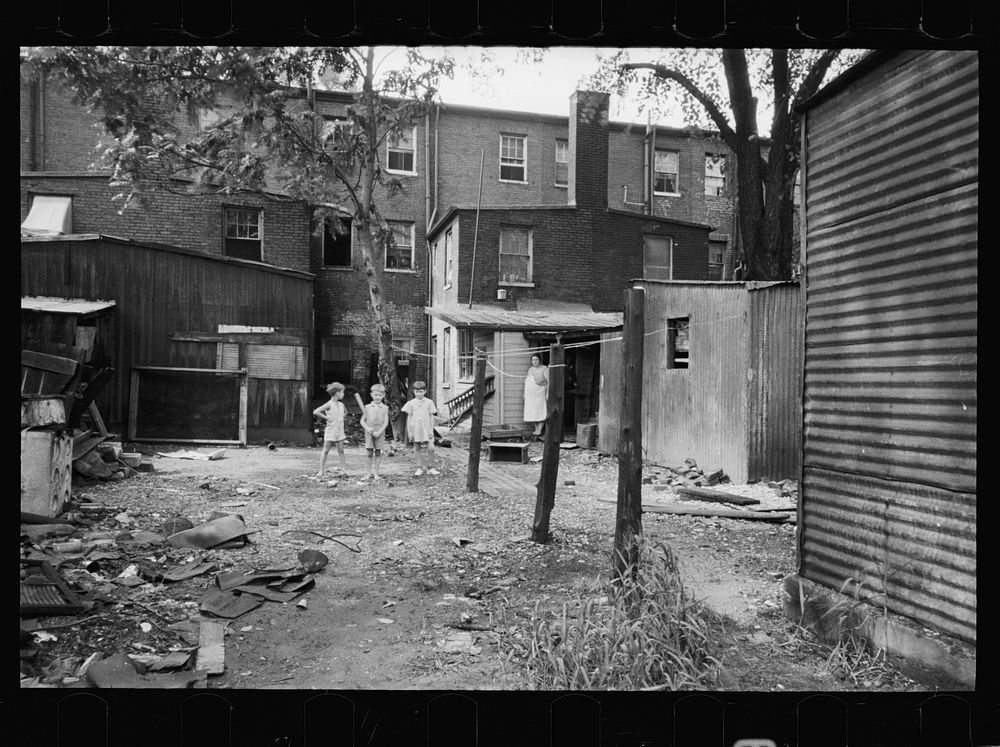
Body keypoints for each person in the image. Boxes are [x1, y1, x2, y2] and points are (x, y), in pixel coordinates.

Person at [401, 380, 440, 477]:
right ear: (414, 392)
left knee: (431, 448)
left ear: (425, 391)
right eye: (417, 392)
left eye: (421, 391)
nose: (419, 394)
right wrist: (409, 431)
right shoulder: (411, 403)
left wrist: (431, 430)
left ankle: (430, 467)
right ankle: (419, 467)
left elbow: (431, 416)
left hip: (426, 428)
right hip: (415, 428)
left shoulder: (429, 402)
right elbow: (409, 417)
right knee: (417, 447)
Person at [313, 382, 347, 477]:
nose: (343, 394)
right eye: (342, 392)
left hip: (340, 430)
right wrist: (327, 418)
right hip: (331, 430)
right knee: (326, 450)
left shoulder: (341, 404)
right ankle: (321, 470)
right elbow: (316, 411)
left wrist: (341, 418)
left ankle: (343, 470)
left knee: (341, 450)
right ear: (337, 393)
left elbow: (345, 412)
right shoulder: (329, 404)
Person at [359, 383, 389, 482]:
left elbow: (386, 422)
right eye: (375, 395)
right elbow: (362, 421)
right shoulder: (367, 407)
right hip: (369, 432)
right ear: (372, 395)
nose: (377, 397)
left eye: (380, 395)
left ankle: (376, 473)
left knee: (378, 452)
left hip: (380, 432)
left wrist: (379, 432)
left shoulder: (385, 408)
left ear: (383, 395)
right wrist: (368, 428)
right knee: (369, 452)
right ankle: (368, 473)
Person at [523, 353, 549, 438]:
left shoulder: (544, 369)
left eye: (536, 360)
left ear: (539, 360)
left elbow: (549, 382)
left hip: (540, 393)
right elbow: (527, 381)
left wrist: (547, 393)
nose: (534, 361)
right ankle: (536, 429)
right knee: (532, 412)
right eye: (533, 360)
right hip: (530, 395)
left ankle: (539, 430)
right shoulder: (530, 369)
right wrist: (524, 393)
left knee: (540, 412)